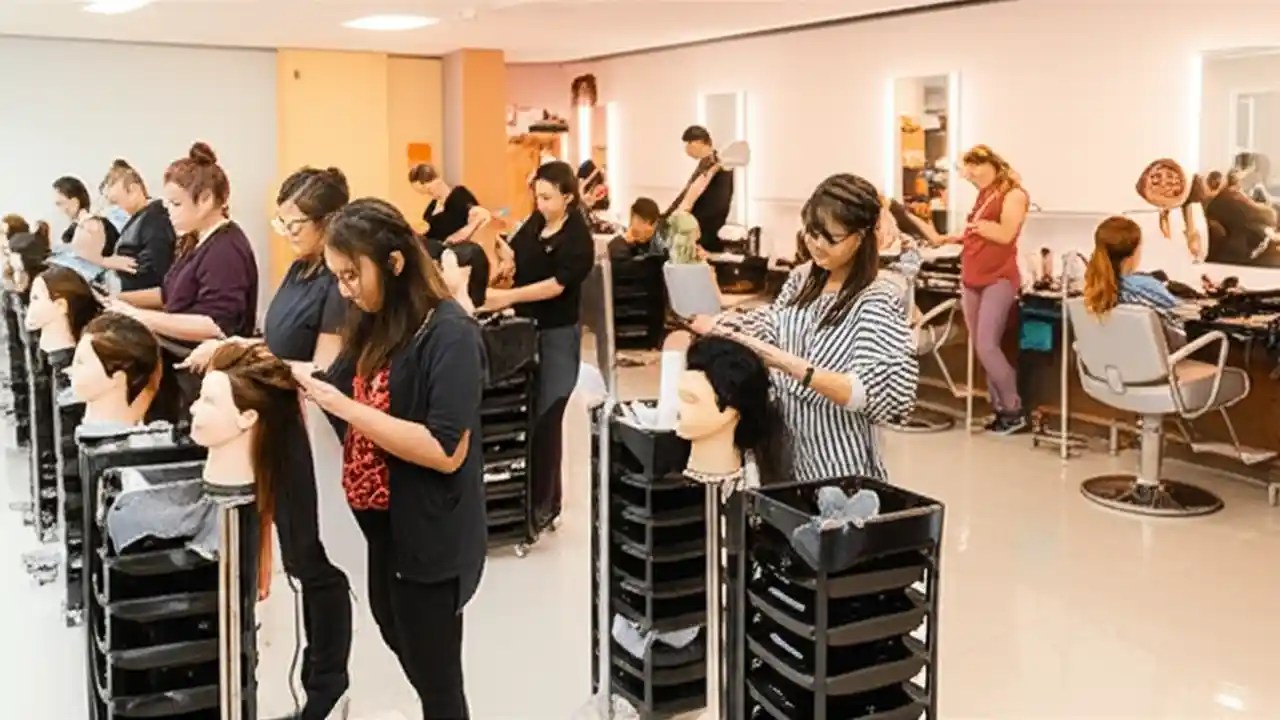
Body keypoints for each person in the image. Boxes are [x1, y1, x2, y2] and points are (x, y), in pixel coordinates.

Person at [291, 198, 485, 720]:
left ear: (395, 264)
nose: (344, 289)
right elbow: (325, 384)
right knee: (402, 640)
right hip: (386, 531)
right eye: (337, 276)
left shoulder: (450, 335)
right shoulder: (379, 325)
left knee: (438, 681)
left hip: (431, 535)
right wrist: (245, 356)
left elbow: (446, 450)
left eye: (352, 274)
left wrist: (346, 408)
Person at [180, 166, 353, 720]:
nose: (286, 231)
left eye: (296, 222)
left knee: (313, 560)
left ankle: (328, 684)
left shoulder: (335, 282)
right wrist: (241, 347)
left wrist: (252, 355)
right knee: (297, 554)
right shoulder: (299, 271)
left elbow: (324, 370)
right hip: (281, 430)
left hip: (317, 432)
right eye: (281, 220)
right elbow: (274, 340)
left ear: (329, 223)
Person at [690, 173, 917, 483]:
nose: (816, 244)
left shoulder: (877, 296)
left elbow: (883, 394)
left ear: (861, 238)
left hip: (838, 464)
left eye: (829, 238)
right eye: (811, 232)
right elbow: (773, 323)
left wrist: (789, 364)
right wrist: (720, 324)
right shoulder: (803, 278)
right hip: (785, 454)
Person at [482, 161, 593, 529]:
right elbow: (518, 254)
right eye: (537, 196)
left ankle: (546, 507)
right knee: (527, 415)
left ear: (568, 196)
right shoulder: (534, 224)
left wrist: (504, 297)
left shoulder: (578, 238)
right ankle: (530, 503)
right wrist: (503, 257)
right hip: (525, 330)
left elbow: (556, 286)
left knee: (549, 415)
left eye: (548, 198)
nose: (541, 204)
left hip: (558, 334)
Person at [110, 142, 258, 344]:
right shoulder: (195, 240)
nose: (168, 210)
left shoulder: (226, 250)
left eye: (176, 203)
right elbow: (168, 293)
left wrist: (138, 316)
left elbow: (216, 325)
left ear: (205, 199)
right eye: (167, 203)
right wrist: (119, 301)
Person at [938, 145, 1029, 435]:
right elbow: (977, 233)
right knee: (981, 348)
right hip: (972, 278)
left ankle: (1014, 409)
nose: (972, 174)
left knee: (988, 346)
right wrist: (954, 238)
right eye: (969, 169)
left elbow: (1004, 234)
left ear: (992, 164)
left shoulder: (1014, 194)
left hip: (998, 279)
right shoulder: (983, 195)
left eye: (976, 167)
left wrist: (982, 228)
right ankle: (999, 408)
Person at [1084, 215, 1187, 346]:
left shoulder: (1093, 291)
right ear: (1134, 252)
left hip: (1115, 359)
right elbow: (1179, 311)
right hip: (1161, 359)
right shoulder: (1147, 287)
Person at [100, 158, 178, 296]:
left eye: (115, 202)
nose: (114, 209)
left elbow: (154, 274)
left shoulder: (156, 220)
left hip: (134, 297)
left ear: (134, 190)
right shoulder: (140, 218)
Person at [666, 125, 734, 252]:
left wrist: (670, 216)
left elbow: (690, 193)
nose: (686, 149)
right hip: (706, 228)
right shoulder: (710, 163)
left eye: (688, 144)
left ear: (698, 142)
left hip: (702, 230)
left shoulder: (713, 163)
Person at [409, 163, 489, 246]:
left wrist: (456, 237)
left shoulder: (459, 195)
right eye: (423, 192)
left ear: (437, 180)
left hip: (456, 250)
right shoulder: (431, 208)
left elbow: (480, 216)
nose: (427, 194)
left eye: (428, 189)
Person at [53, 175, 92, 245]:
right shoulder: (75, 229)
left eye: (60, 204)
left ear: (75, 203)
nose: (58, 210)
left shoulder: (87, 229)